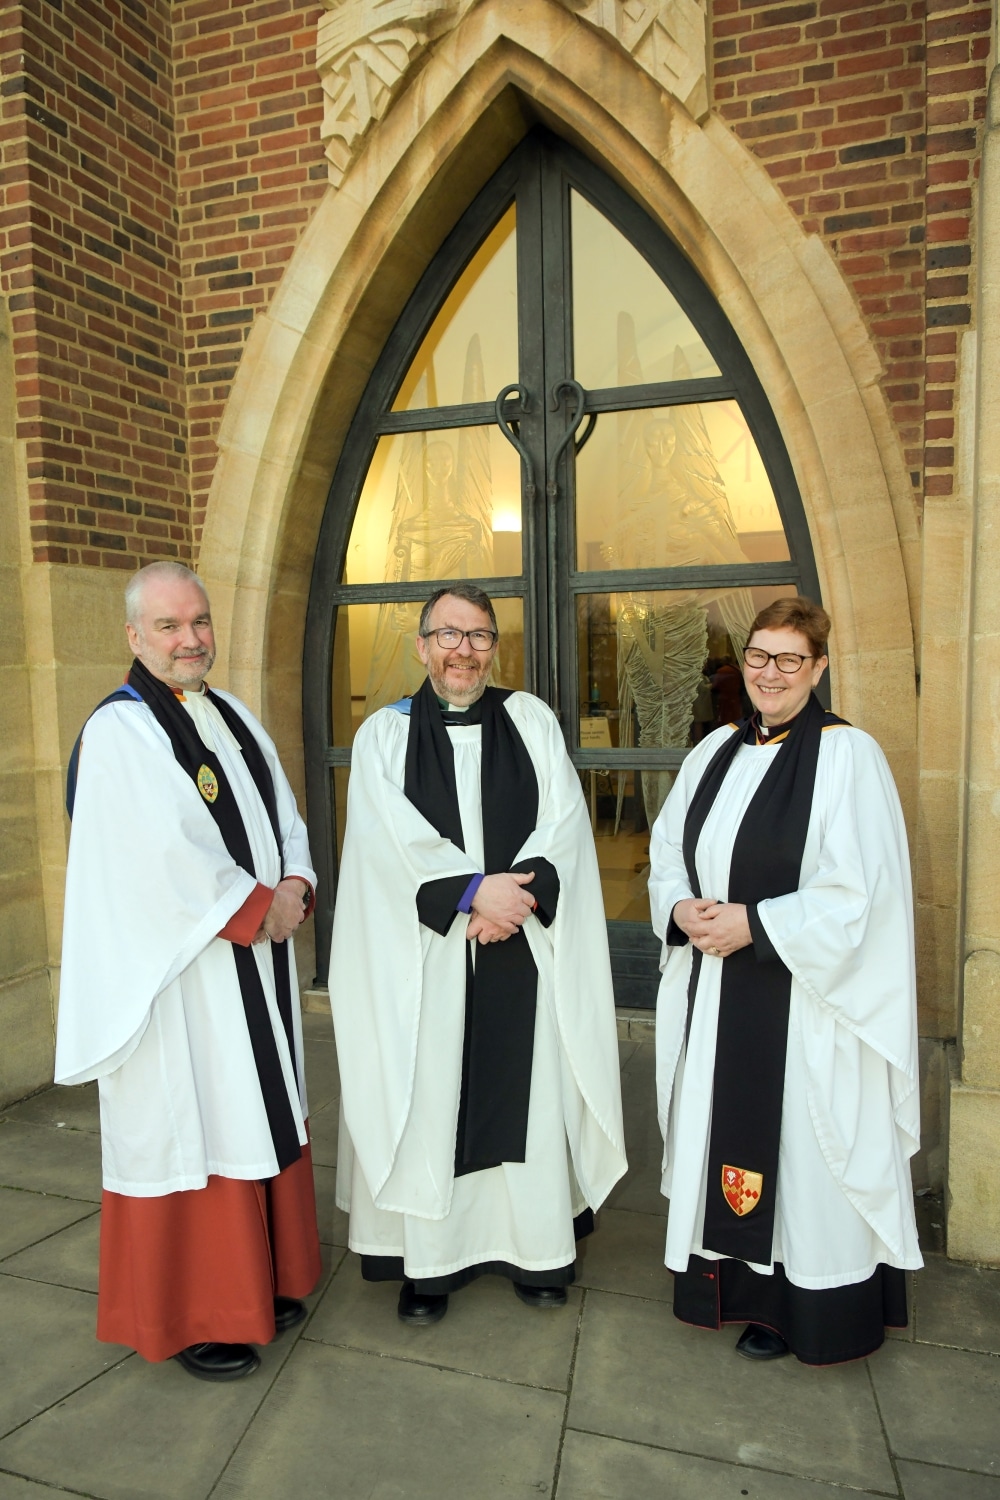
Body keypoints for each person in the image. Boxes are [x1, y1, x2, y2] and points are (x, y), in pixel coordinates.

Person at [330, 583, 627, 1325]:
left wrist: (511, 900)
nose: (463, 651)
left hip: (520, 942)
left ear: (495, 646)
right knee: (431, 1091)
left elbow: (563, 823)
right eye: (448, 635)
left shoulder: (529, 720)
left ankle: (538, 1252)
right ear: (422, 645)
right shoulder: (384, 736)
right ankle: (428, 1266)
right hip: (431, 955)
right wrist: (471, 894)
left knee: (529, 1097)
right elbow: (386, 843)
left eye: (479, 636)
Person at [56, 561, 322, 1382]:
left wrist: (296, 883)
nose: (190, 639)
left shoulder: (232, 713)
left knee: (253, 1112)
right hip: (181, 980)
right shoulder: (121, 732)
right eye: (169, 626)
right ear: (134, 635)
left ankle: (259, 1284)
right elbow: (155, 856)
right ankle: (197, 1313)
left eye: (199, 621)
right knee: (198, 1127)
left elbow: (284, 814)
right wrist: (258, 909)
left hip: (254, 968)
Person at [648, 595, 922, 1365]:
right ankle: (729, 1287)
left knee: (803, 1154)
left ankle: (798, 1307)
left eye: (790, 660)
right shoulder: (713, 753)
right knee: (720, 1132)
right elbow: (668, 849)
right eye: (759, 657)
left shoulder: (848, 756)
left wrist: (759, 926)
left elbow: (861, 894)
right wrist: (681, 907)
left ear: (818, 667)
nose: (770, 674)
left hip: (806, 1002)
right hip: (717, 991)